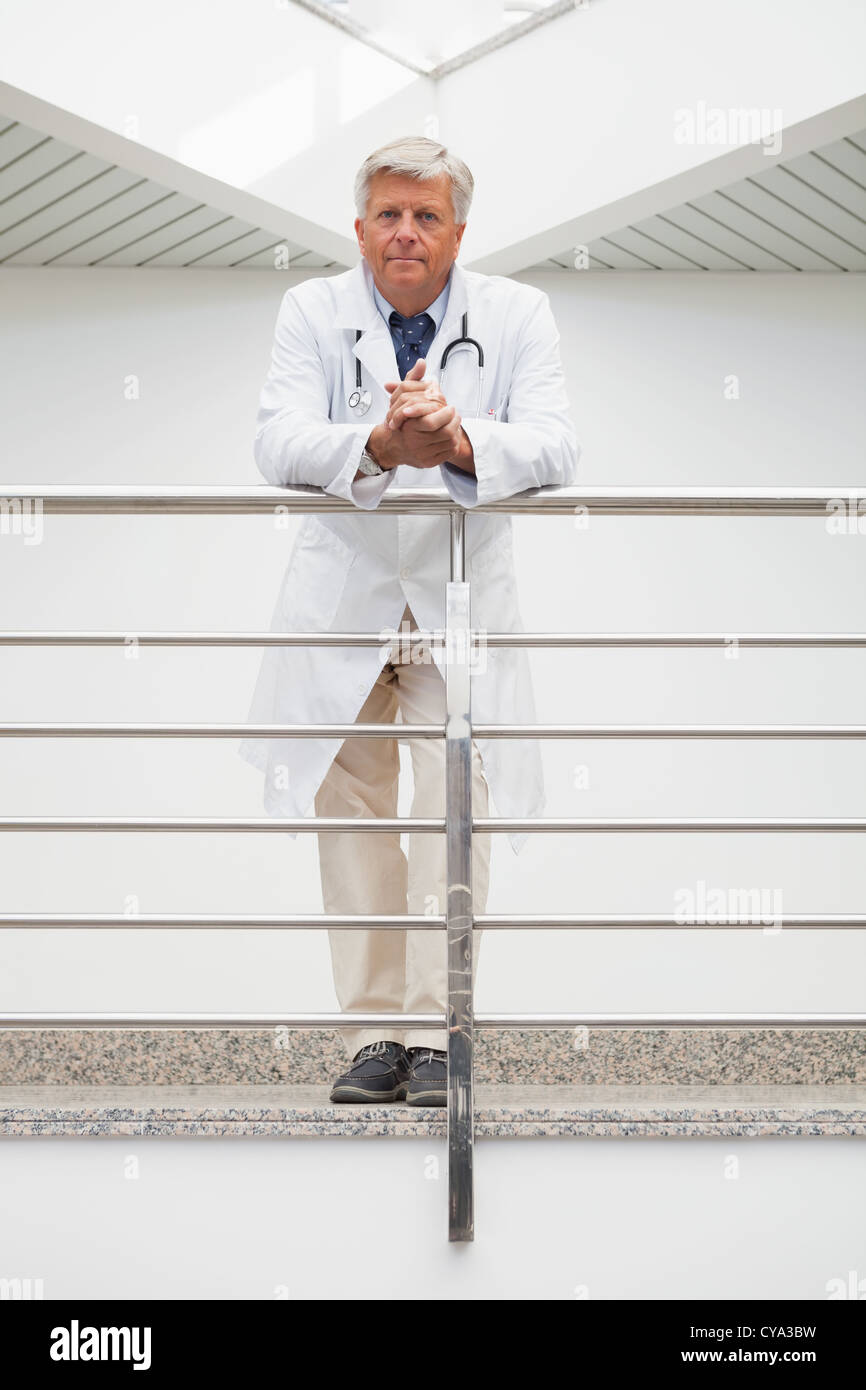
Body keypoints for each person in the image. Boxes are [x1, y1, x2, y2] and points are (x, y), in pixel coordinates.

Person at [239, 135, 579, 1105]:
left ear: (456, 232)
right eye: (387, 214)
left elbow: (556, 443)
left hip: (452, 602)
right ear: (359, 228)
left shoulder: (516, 314)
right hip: (344, 601)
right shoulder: (311, 309)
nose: (404, 232)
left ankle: (438, 1035)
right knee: (348, 822)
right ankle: (374, 1033)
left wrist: (461, 437)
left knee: (447, 819)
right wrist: (379, 443)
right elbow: (277, 439)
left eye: (425, 216)